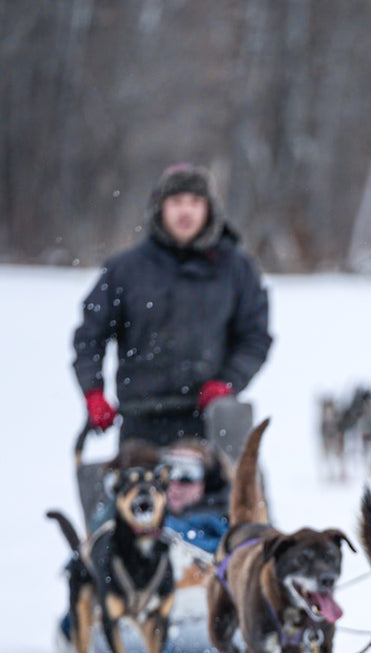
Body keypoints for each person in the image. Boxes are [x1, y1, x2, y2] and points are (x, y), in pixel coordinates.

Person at [73, 163, 272, 447]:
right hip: (141, 421)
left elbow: (255, 336)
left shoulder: (237, 269)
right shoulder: (125, 269)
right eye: (176, 201)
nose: (185, 211)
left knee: (243, 488)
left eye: (195, 202)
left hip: (211, 421)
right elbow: (89, 336)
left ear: (209, 209)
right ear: (160, 207)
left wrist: (228, 382)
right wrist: (93, 392)